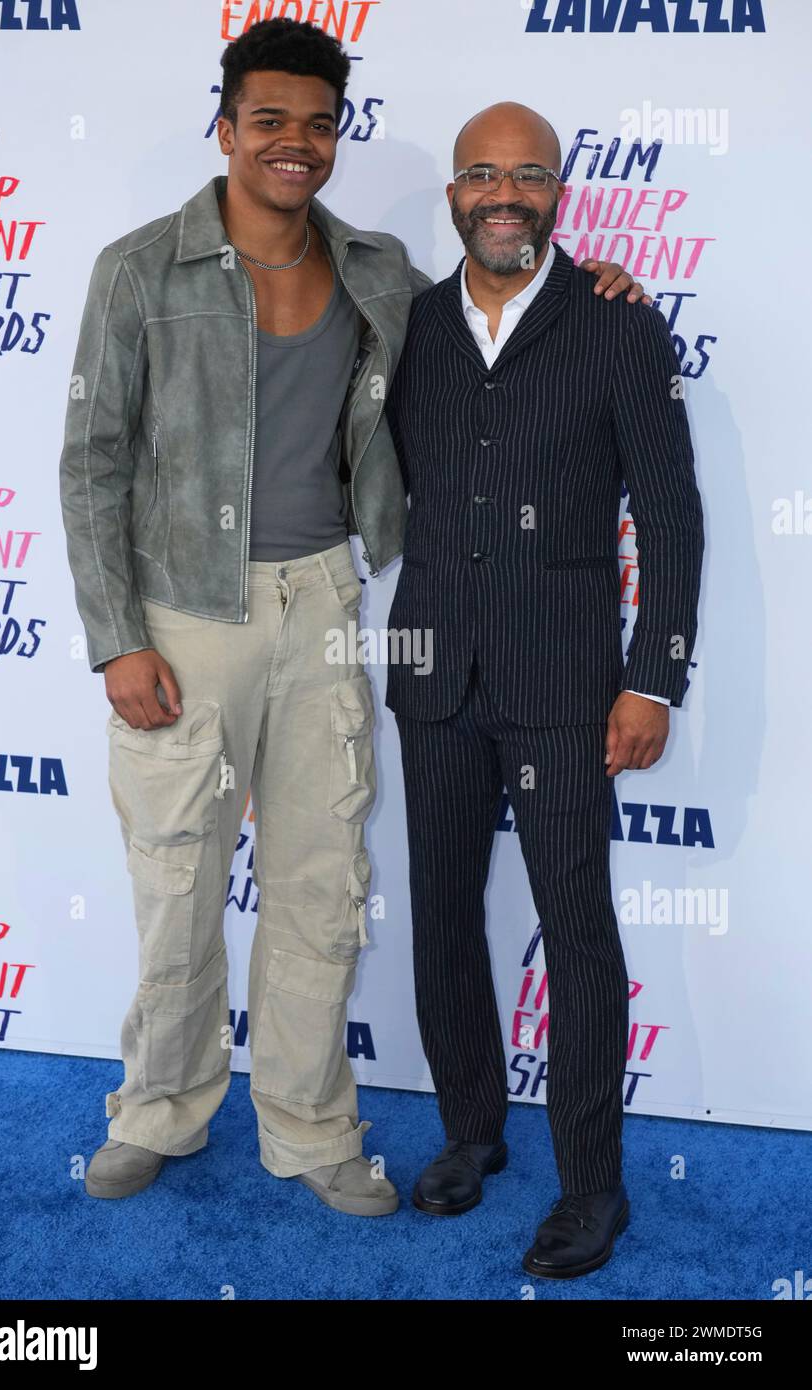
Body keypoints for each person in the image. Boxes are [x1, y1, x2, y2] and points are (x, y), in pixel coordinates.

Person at [59, 18, 647, 1213]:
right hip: (179, 616)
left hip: (326, 596)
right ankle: (159, 1109)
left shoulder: (377, 269)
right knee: (177, 882)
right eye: (267, 120)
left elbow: (504, 304)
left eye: (316, 124)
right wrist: (116, 634)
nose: (293, 143)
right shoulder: (135, 268)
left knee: (322, 881)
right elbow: (90, 463)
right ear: (223, 129)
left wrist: (594, 285)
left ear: (337, 139)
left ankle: (312, 1126)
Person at [384, 101, 704, 1275]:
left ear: (558, 193)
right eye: (480, 173)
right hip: (431, 672)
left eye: (526, 174)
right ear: (455, 194)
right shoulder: (409, 322)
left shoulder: (617, 323)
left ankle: (592, 1186)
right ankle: (471, 1129)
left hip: (569, 680)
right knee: (440, 920)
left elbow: (666, 516)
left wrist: (651, 678)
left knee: (576, 932)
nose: (501, 193)